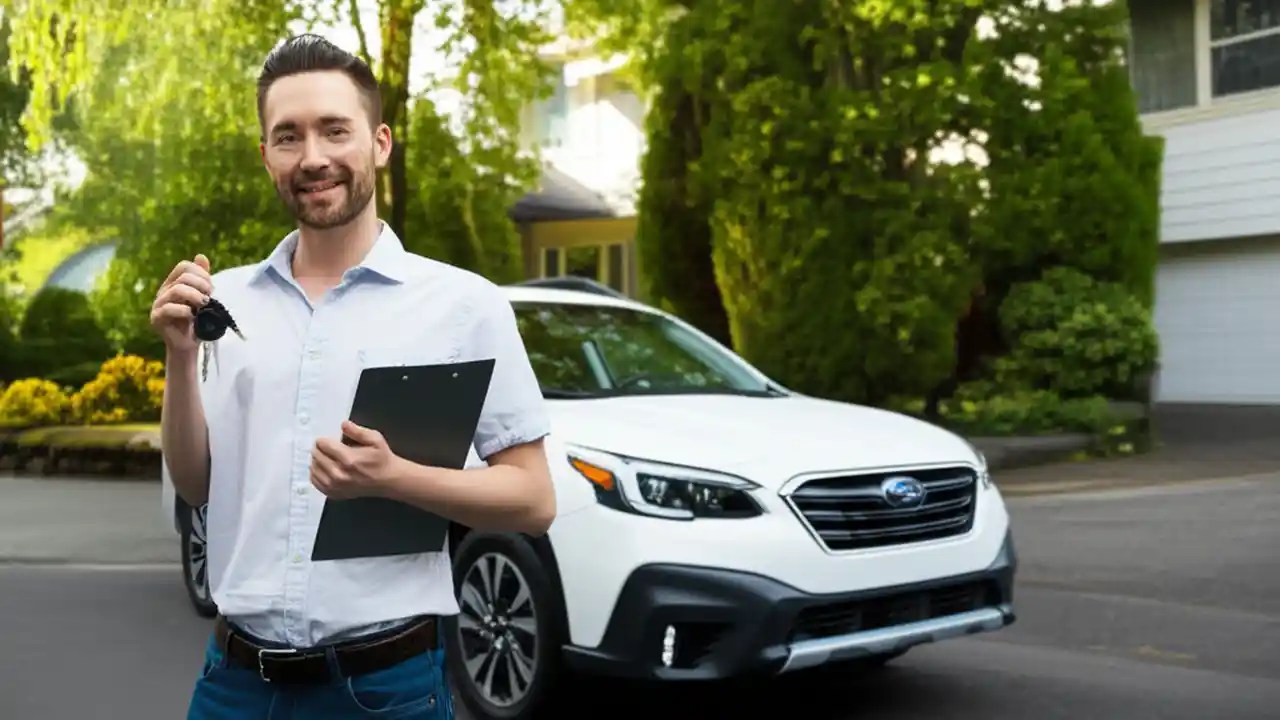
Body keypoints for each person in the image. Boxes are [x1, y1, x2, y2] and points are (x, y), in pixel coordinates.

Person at [150, 33, 556, 719]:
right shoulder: (228, 302)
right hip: (234, 685)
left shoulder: (463, 305)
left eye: (335, 130)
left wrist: (394, 478)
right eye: (288, 137)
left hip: (386, 690)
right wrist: (181, 357)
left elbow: (534, 498)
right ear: (266, 157)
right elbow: (197, 483)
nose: (313, 157)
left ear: (380, 142)